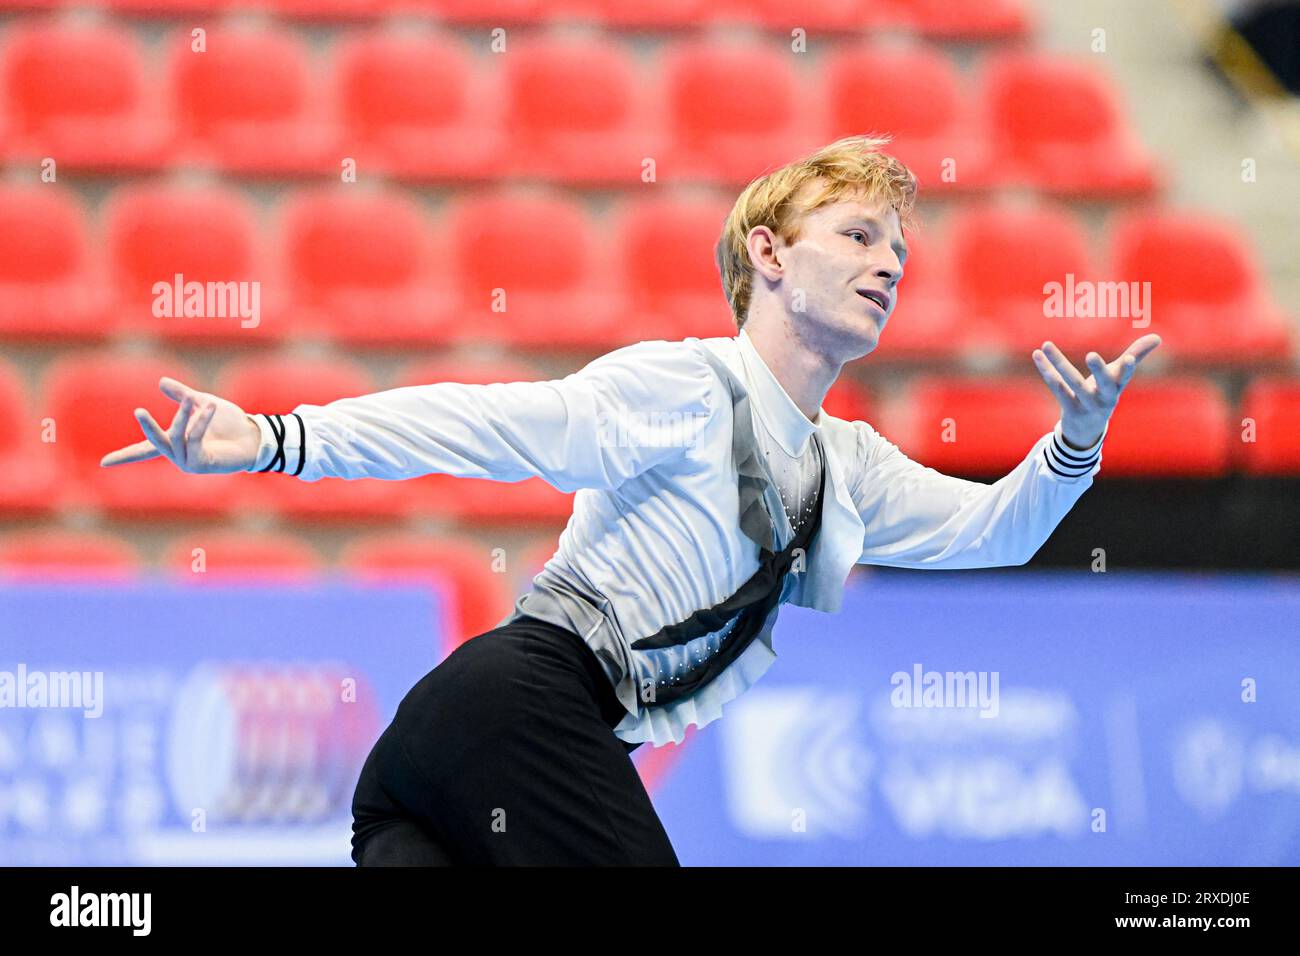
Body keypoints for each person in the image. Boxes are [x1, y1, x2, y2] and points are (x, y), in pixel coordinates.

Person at [100, 134, 1161, 865]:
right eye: (857, 234)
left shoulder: (854, 468)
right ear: (769, 254)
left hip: (453, 773)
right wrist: (277, 438)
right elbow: (483, 424)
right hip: (514, 704)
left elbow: (997, 531)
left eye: (899, 248)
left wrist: (1073, 443)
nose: (888, 262)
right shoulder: (683, 387)